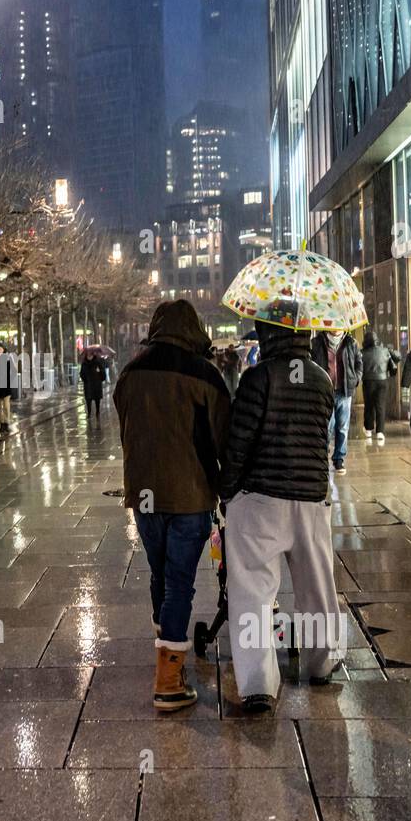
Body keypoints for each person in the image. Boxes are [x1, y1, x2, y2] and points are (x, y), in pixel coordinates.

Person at [220, 320, 343, 713]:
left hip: (261, 500)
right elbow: (319, 437)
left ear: (269, 335)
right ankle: (322, 662)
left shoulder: (258, 378)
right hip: (310, 499)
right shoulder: (323, 379)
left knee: (253, 590)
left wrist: (227, 491)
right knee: (317, 585)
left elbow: (239, 442)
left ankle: (258, 684)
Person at [113, 300, 231, 711]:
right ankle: (168, 680)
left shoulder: (130, 373)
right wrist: (228, 488)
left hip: (145, 495)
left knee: (161, 573)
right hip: (189, 494)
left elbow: (125, 428)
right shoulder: (204, 374)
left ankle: (168, 652)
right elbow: (224, 439)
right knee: (180, 581)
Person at [310, 329, 362, 473]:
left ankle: (339, 459)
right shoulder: (317, 343)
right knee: (327, 427)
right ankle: (322, 457)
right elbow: (310, 364)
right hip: (325, 392)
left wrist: (356, 379)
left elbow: (359, 362)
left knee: (343, 427)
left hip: (345, 391)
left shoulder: (351, 343)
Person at [361, 330, 400, 443]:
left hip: (368, 381)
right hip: (382, 380)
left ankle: (368, 429)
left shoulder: (362, 352)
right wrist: (390, 350)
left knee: (369, 405)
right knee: (380, 406)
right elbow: (398, 357)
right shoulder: (385, 350)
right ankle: (380, 432)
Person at [0, 342, 15, 433]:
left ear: (3, 349)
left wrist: (9, 381)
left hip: (6, 387)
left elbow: (13, 371)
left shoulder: (8, 358)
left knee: (6, 406)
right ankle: (1, 425)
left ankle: (7, 423)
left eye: (0, 348)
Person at [79, 349, 107, 422]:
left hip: (96, 384)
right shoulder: (84, 363)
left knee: (97, 399)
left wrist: (100, 377)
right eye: (88, 353)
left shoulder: (97, 362)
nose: (89, 354)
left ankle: (97, 412)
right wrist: (85, 379)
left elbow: (103, 372)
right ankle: (89, 413)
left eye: (90, 353)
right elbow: (81, 373)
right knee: (88, 399)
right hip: (88, 384)